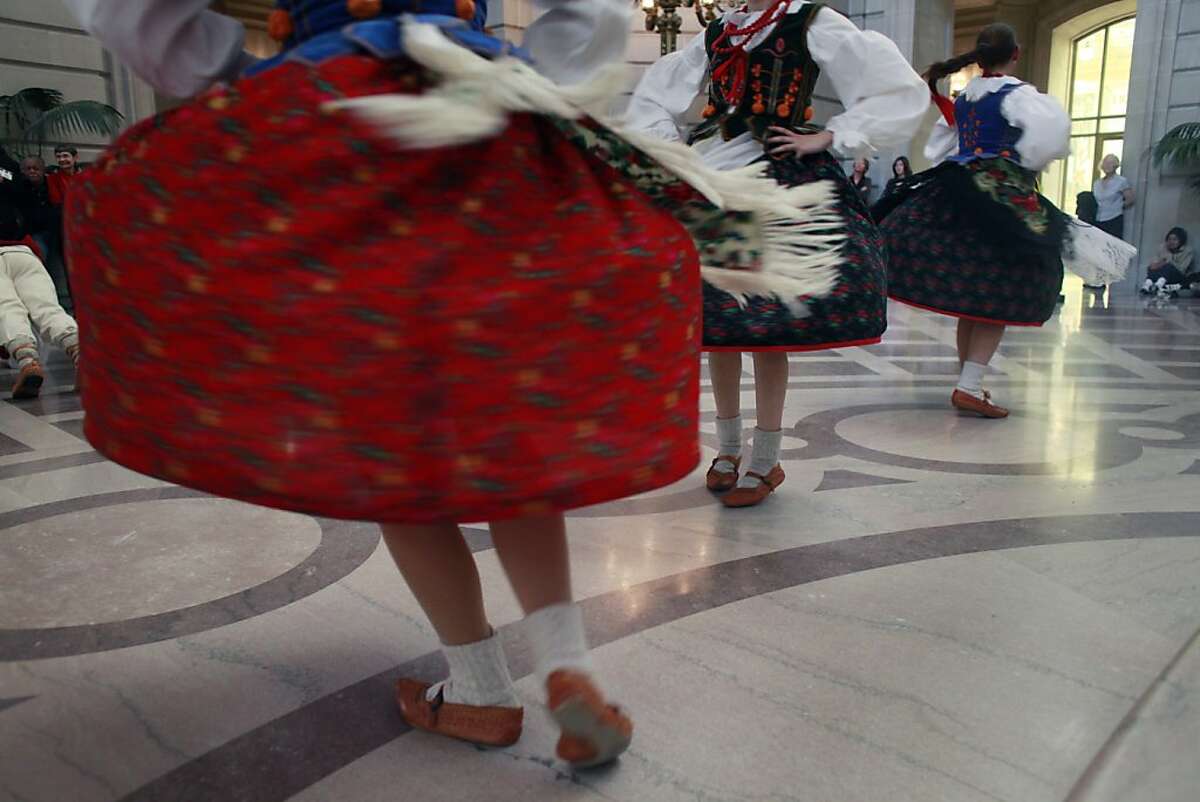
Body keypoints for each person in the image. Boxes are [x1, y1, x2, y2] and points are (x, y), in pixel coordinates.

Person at [62, 0, 836, 768]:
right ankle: (569, 665)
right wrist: (535, 81)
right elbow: (589, 15)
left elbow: (136, 14)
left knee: (397, 450)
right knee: (508, 442)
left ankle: (479, 690)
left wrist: (238, 77)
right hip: (485, 115)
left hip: (331, 116)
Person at [627, 0, 928, 507]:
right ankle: (726, 449)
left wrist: (833, 136)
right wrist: (675, 152)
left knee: (769, 327)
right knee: (717, 323)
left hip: (785, 179)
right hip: (719, 173)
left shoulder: (809, 21)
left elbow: (897, 87)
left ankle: (765, 457)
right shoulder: (720, 31)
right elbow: (653, 99)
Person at [876, 23, 1131, 419]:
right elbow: (1051, 136)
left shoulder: (967, 96)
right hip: (998, 193)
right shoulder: (1019, 94)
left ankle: (969, 382)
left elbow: (943, 146)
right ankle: (969, 385)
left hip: (957, 188)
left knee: (972, 296)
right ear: (1016, 53)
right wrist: (1022, 166)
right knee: (1005, 286)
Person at [0, 204, 80, 399]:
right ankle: (80, 352)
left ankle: (28, 362)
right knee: (49, 310)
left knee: (7, 310)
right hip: (24, 253)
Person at [19, 156, 71, 312]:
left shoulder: (52, 183)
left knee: (59, 269)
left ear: (43, 169)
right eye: (28, 169)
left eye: (36, 168)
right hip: (35, 234)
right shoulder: (20, 187)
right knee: (39, 268)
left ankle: (62, 305)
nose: (32, 171)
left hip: (57, 233)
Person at [1141, 227, 1195, 296]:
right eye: (1169, 239)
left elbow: (1182, 269)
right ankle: (1147, 286)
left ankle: (1158, 285)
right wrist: (1161, 264)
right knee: (1151, 268)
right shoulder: (1162, 248)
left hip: (1178, 277)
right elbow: (1154, 264)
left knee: (1168, 267)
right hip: (1161, 273)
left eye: (1174, 239)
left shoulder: (1188, 251)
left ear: (1181, 241)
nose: (1171, 242)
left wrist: (1167, 262)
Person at [1093, 154, 1134, 240]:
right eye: (1105, 163)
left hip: (1114, 219)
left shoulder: (1121, 181)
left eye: (1110, 163)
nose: (1107, 166)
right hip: (1098, 218)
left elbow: (1130, 199)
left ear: (1115, 165)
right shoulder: (1097, 183)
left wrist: (1117, 206)